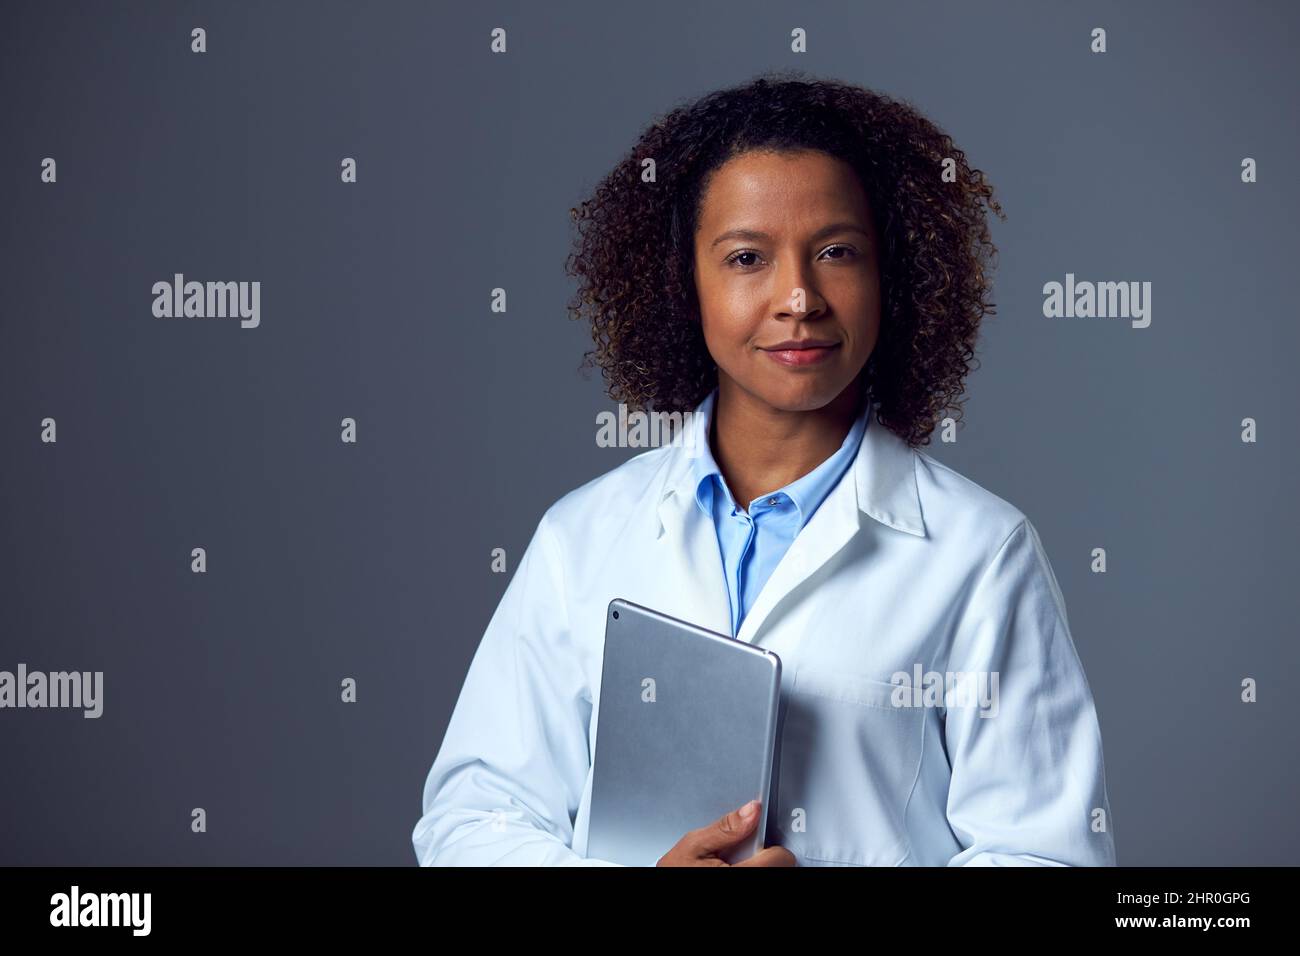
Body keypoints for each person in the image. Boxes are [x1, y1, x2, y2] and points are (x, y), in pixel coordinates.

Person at [412, 71, 1117, 867]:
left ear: (894, 276)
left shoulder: (981, 553)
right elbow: (473, 821)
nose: (798, 297)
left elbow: (1050, 856)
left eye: (838, 252)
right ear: (685, 285)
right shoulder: (579, 538)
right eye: (747, 257)